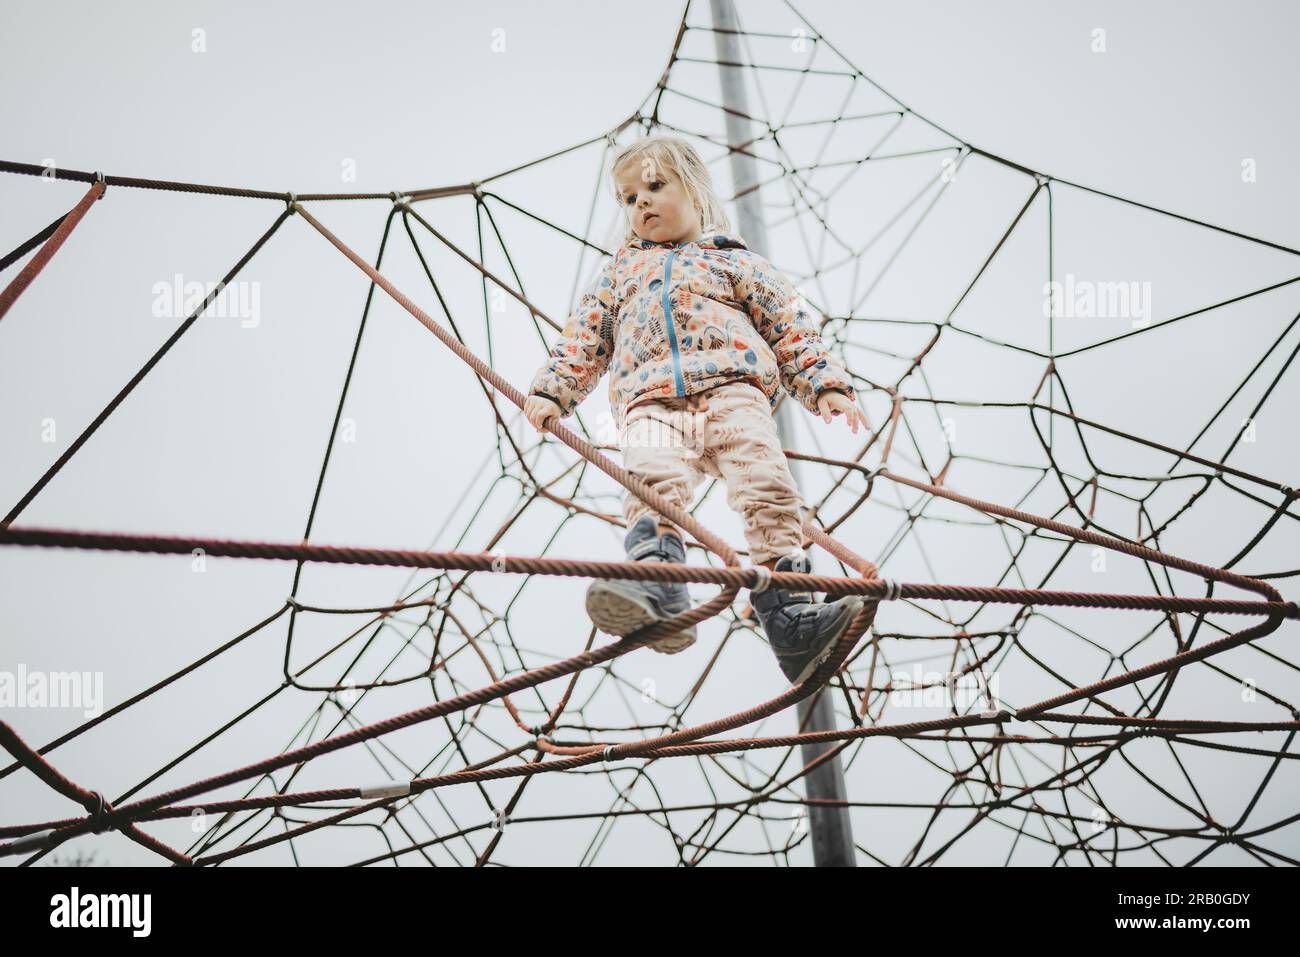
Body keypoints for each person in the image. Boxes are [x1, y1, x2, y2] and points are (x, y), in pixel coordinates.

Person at [524, 135, 869, 685]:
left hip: (735, 391)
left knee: (767, 486)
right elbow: (584, 337)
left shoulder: (734, 261)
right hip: (653, 399)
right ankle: (659, 581)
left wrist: (824, 384)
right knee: (652, 478)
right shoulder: (620, 274)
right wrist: (553, 390)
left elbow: (789, 325)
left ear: (696, 191)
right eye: (628, 197)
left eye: (655, 186)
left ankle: (791, 617)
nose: (641, 203)